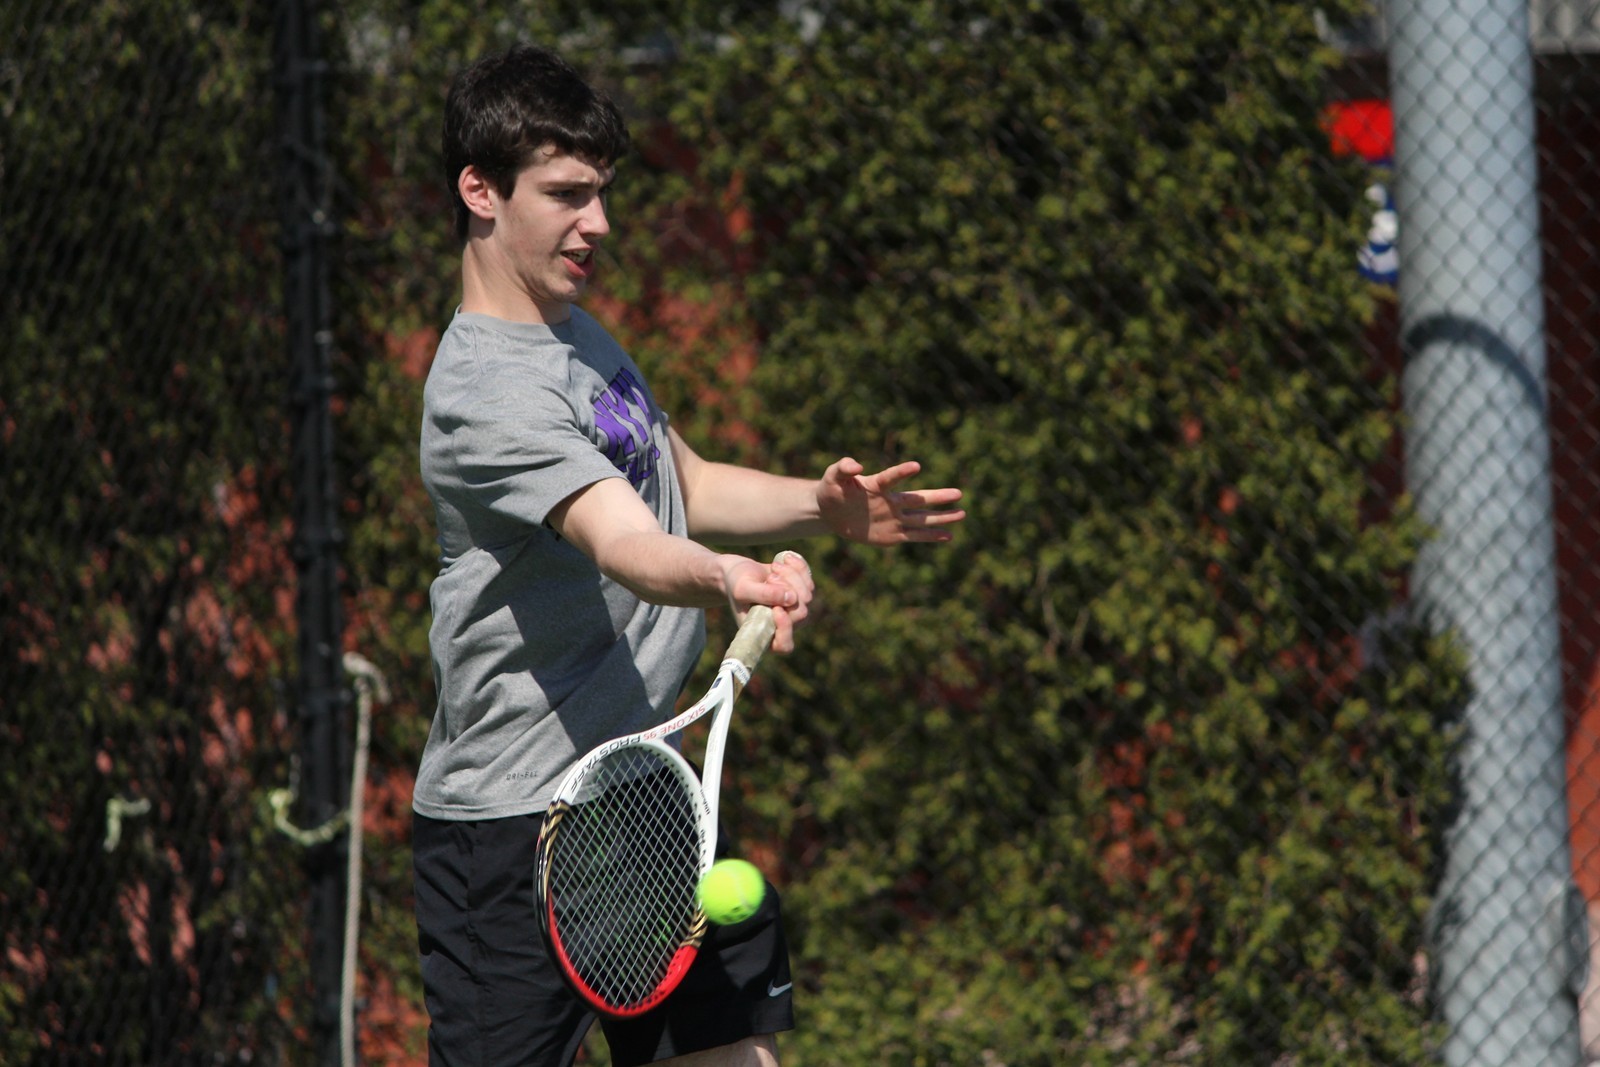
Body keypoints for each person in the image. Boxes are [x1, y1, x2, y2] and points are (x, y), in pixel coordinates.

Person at [412, 43, 966, 1067]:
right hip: (515, 836)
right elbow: (625, 541)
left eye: (604, 193)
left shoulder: (575, 335)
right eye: (568, 194)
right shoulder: (485, 393)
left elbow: (687, 485)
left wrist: (818, 507)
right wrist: (724, 575)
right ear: (479, 191)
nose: (600, 224)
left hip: (640, 796)